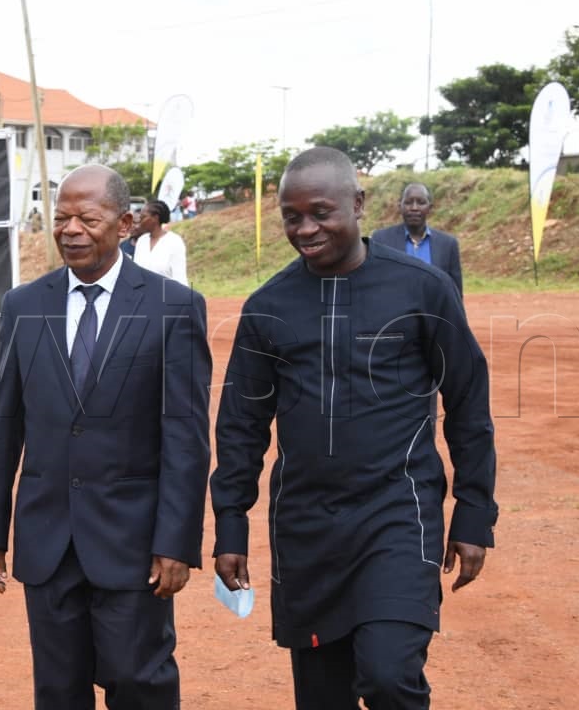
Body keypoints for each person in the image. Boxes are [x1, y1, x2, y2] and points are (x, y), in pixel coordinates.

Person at [210, 147, 497, 710]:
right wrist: (230, 524)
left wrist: (473, 512)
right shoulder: (268, 305)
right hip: (307, 527)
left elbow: (468, 404)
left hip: (398, 513)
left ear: (358, 203)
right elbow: (241, 425)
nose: (305, 228)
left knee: (390, 677)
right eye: (292, 216)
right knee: (323, 697)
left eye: (321, 212)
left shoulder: (423, 290)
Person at [0, 164, 212, 709]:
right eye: (61, 218)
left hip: (132, 541)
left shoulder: (173, 307)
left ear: (124, 224)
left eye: (87, 217)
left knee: (138, 681)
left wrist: (175, 542)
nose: (70, 229)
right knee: (58, 691)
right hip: (48, 537)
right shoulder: (23, 305)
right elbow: (4, 422)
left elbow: (185, 436)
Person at [372, 182, 463, 296]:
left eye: (421, 203)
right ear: (400, 206)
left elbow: (456, 293)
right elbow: (374, 285)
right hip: (396, 312)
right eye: (408, 202)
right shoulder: (381, 240)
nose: (414, 208)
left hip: (433, 312)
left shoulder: (448, 244)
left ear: (430, 208)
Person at [133, 200, 188, 285]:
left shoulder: (174, 242)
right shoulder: (142, 241)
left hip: (167, 295)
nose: (140, 222)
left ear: (155, 218)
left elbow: (180, 278)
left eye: (143, 217)